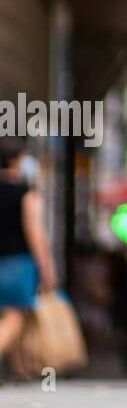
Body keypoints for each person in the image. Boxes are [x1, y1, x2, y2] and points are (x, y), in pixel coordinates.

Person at [0, 140, 59, 377]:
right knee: (15, 317)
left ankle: (19, 369)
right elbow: (35, 234)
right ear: (14, 161)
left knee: (11, 315)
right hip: (17, 263)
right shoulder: (25, 194)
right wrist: (47, 269)